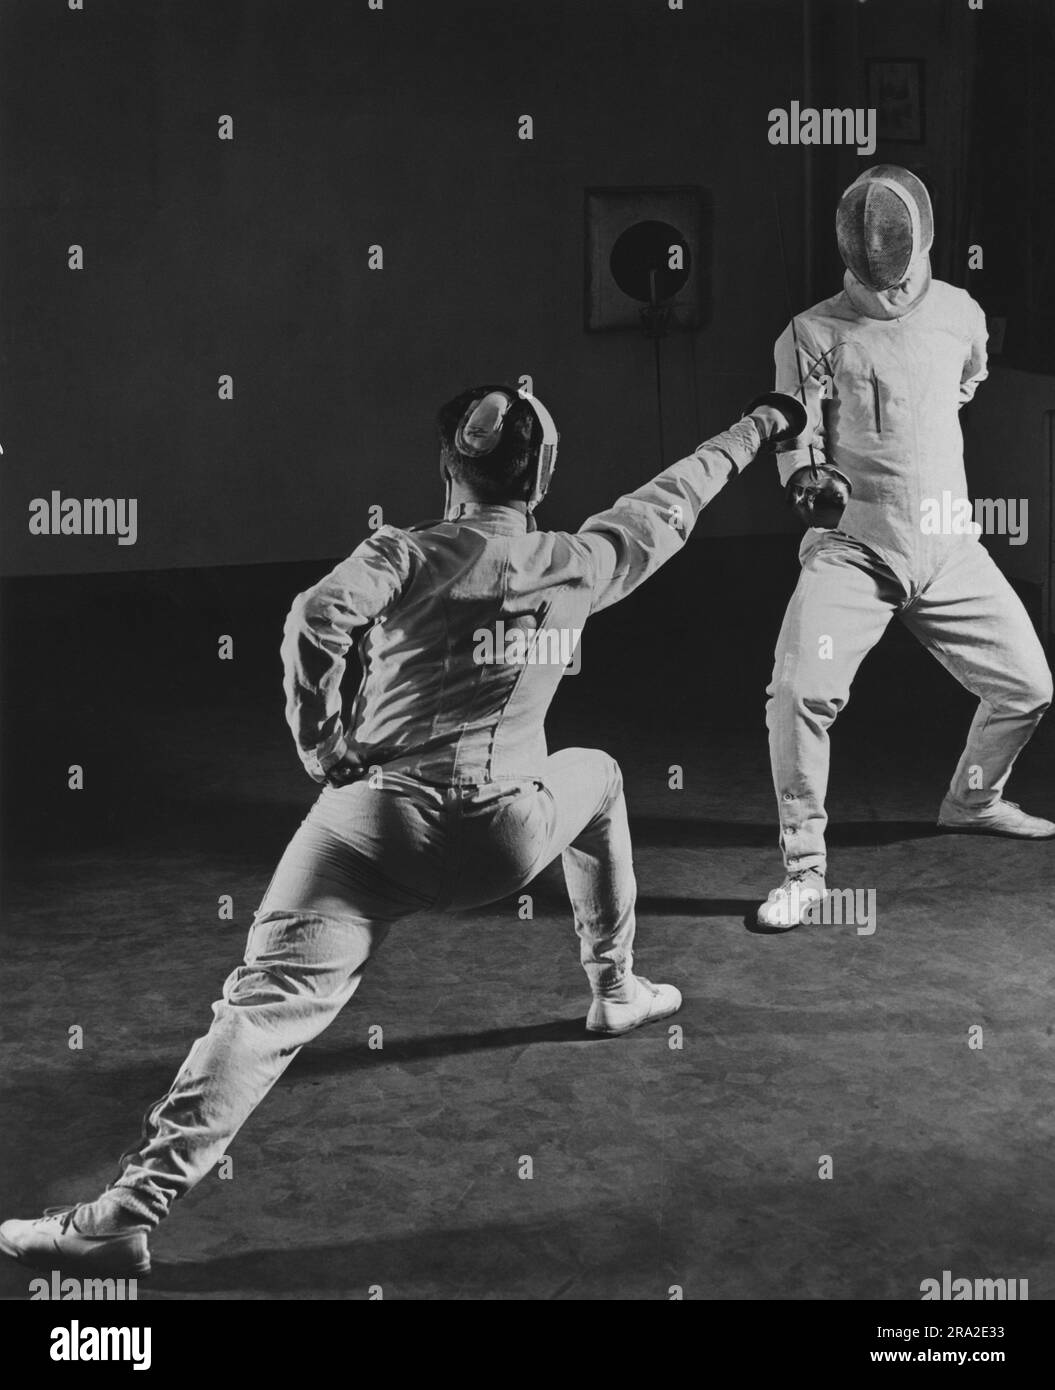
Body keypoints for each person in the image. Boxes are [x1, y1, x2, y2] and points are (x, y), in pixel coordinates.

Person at [1, 381, 805, 1274]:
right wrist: (763, 423)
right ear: (540, 476)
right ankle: (613, 988)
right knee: (600, 777)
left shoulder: (406, 553)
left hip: (372, 825)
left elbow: (316, 615)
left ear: (446, 467)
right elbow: (677, 493)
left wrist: (321, 745)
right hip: (505, 835)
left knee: (260, 1011)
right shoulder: (582, 558)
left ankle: (125, 1214)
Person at [757, 165, 1053, 931]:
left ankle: (972, 799)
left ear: (919, 235)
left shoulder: (958, 311)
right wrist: (805, 479)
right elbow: (796, 438)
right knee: (796, 694)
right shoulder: (810, 331)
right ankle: (804, 868)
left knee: (1027, 687)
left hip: (949, 545)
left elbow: (963, 383)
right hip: (854, 548)